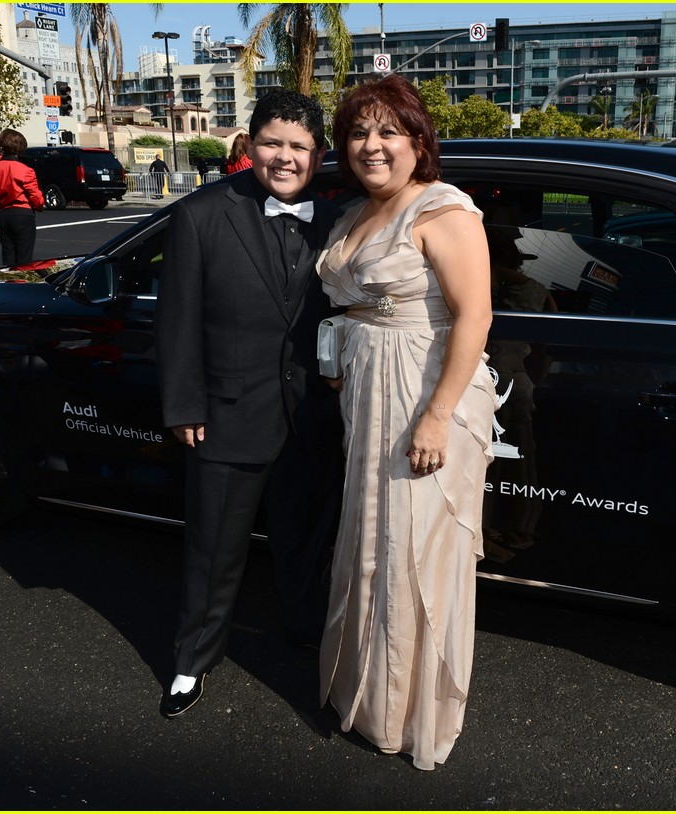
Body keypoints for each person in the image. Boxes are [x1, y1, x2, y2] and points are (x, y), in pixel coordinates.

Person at [316, 73, 496, 771]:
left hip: (425, 393)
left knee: (413, 555)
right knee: (372, 544)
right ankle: (370, 698)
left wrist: (437, 418)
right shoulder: (356, 212)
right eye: (360, 132)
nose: (373, 145)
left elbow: (475, 316)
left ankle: (410, 712)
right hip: (368, 395)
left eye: (390, 131)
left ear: (420, 142)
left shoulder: (443, 210)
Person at [154, 89, 344, 719]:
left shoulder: (340, 219)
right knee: (213, 549)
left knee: (306, 538)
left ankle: (304, 627)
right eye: (272, 143)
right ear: (251, 144)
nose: (284, 158)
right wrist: (184, 406)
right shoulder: (201, 215)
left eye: (299, 147)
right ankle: (190, 660)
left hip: (314, 415)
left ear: (317, 155)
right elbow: (177, 321)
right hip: (228, 413)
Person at [0, 129, 45, 267]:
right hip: (22, 213)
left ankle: (10, 283)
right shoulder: (25, 170)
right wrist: (40, 204)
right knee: (24, 257)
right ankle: (21, 284)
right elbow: (35, 196)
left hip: (2, 213)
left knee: (8, 255)